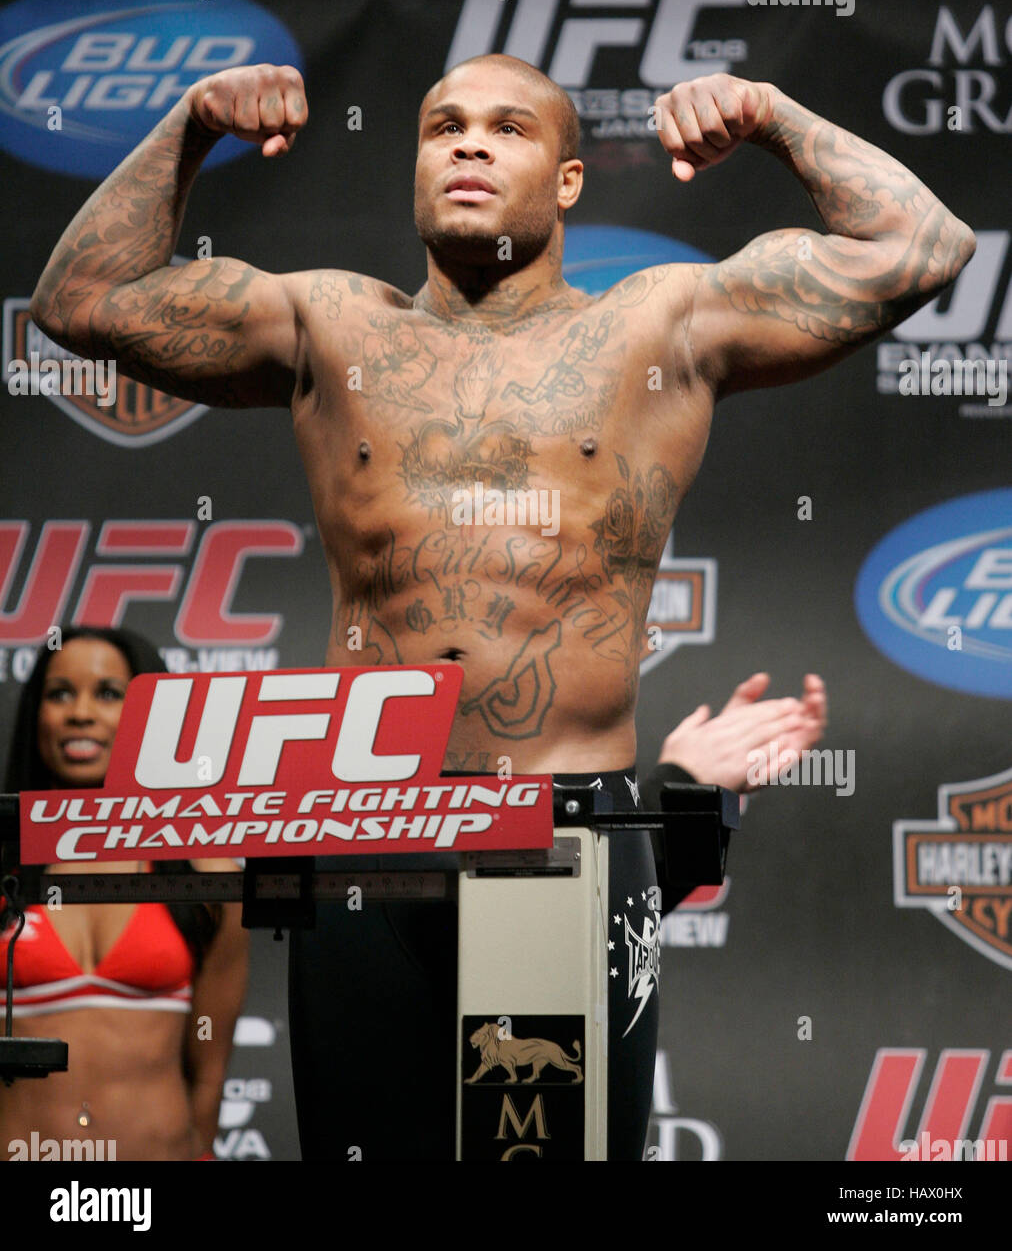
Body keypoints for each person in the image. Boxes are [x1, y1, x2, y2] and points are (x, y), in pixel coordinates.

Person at [28, 56, 972, 1158]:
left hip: (560, 828)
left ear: (568, 181)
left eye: (507, 128)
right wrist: (188, 126)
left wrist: (769, 115)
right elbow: (78, 303)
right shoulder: (328, 328)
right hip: (362, 834)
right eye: (443, 126)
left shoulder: (660, 327)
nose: (468, 144)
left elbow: (920, 246)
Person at [0, 627, 248, 1161]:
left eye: (109, 693)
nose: (80, 713)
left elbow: (209, 1078)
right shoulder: (3, 870)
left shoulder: (209, 876)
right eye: (59, 693)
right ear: (35, 715)